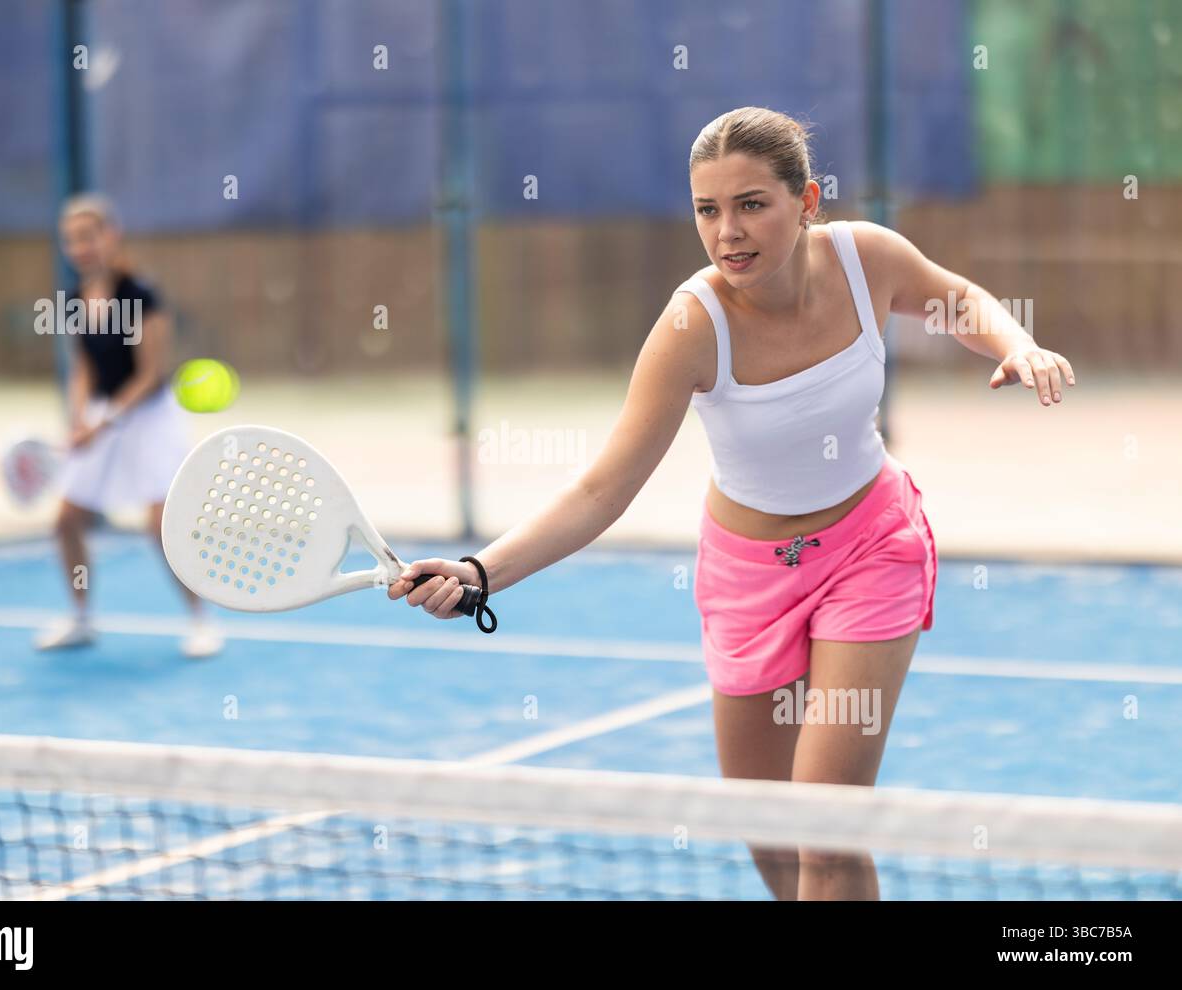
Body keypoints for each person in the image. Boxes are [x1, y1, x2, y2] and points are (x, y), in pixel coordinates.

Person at [386, 106, 1075, 900]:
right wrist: (480, 571)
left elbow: (958, 300)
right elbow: (601, 488)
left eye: (752, 204)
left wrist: (1017, 346)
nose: (727, 232)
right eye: (707, 210)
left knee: (827, 833)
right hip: (746, 578)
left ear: (807, 200)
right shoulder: (691, 324)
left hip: (871, 549)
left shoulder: (866, 258)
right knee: (769, 833)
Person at [34, 193, 223, 659]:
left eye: (88, 237)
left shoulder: (140, 294)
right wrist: (79, 416)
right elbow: (83, 369)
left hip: (150, 417)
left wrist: (104, 423)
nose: (80, 248)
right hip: (103, 416)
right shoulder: (77, 298)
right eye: (71, 240)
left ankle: (202, 622)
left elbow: (149, 373)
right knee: (65, 520)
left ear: (110, 237)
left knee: (160, 525)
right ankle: (81, 619)